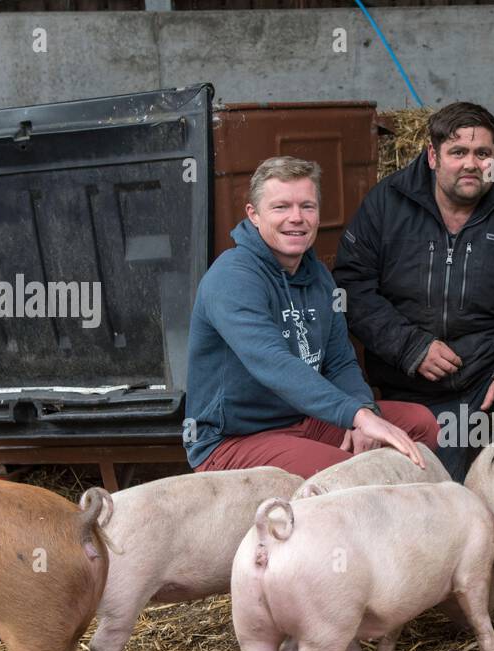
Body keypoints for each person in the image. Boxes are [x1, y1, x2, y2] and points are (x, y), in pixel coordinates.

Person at [334, 102, 494, 481]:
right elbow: (351, 287)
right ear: (432, 156)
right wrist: (409, 346)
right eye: (458, 152)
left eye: (483, 153)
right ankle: (462, 462)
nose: (471, 164)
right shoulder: (387, 204)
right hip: (412, 386)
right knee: (440, 495)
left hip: (489, 384)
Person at [184, 156, 437, 478]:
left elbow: (340, 362)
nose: (296, 218)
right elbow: (274, 364)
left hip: (305, 419)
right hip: (235, 439)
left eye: (307, 206)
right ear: (254, 215)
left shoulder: (317, 275)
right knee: (352, 477)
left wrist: (365, 410)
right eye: (281, 207)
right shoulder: (233, 277)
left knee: (420, 425)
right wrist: (355, 416)